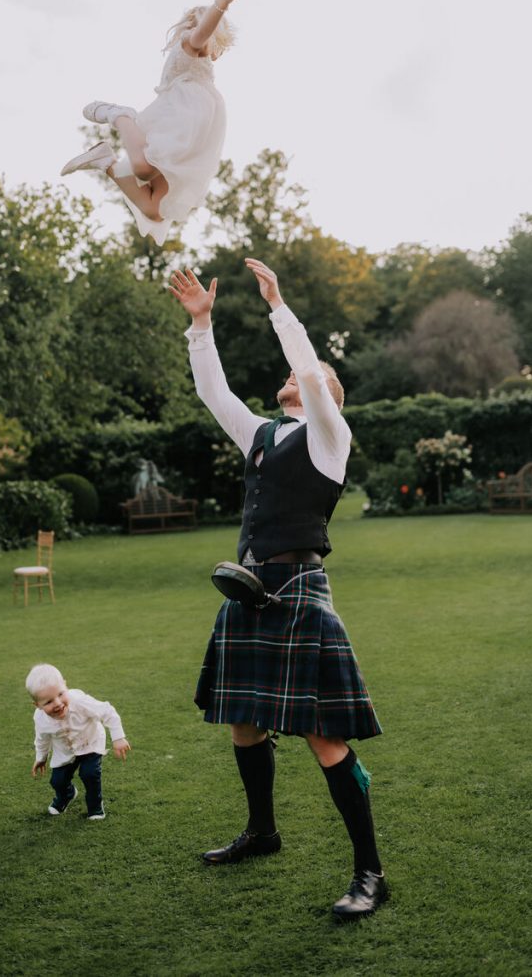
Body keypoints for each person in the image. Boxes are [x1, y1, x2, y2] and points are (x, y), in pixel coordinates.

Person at [168, 258, 388, 920]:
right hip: (249, 588)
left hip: (299, 587)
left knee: (324, 734)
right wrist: (201, 326)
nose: (293, 376)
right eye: (293, 373)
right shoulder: (262, 437)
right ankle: (262, 830)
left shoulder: (330, 436)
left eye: (307, 374)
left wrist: (279, 307)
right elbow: (215, 394)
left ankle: (370, 872)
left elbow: (313, 374)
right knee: (243, 719)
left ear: (326, 394)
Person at [60, 0, 245, 246]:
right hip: (174, 121)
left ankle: (104, 160)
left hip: (192, 137)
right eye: (217, 41)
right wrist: (224, 2)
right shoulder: (187, 44)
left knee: (154, 211)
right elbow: (202, 33)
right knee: (143, 171)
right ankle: (120, 115)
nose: (217, 50)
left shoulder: (204, 71)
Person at [26, 663, 131, 819]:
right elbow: (42, 739)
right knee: (57, 781)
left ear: (65, 686)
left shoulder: (79, 701)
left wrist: (118, 738)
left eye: (61, 694)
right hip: (65, 752)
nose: (58, 703)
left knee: (89, 774)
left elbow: (107, 711)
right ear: (37, 705)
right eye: (48, 702)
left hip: (91, 743)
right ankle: (67, 794)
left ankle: (95, 807)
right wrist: (41, 758)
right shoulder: (40, 719)